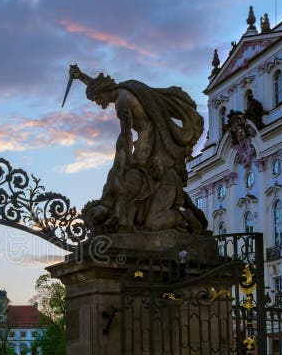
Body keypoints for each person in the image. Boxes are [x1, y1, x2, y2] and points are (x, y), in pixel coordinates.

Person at [68, 64, 207, 233]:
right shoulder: (124, 89)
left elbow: (125, 136)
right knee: (139, 178)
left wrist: (121, 163)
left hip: (149, 140)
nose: (97, 103)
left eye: (96, 99)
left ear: (102, 91)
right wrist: (81, 75)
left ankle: (182, 215)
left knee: (142, 175)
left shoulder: (122, 102)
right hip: (147, 139)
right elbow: (97, 85)